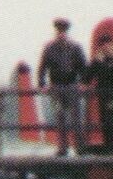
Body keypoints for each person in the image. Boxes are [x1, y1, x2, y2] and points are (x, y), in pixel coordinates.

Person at [37, 18, 87, 156]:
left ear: (67, 32)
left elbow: (83, 67)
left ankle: (80, 148)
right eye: (59, 31)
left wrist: (83, 83)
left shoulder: (76, 48)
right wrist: (42, 84)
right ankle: (62, 148)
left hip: (72, 86)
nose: (61, 34)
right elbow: (42, 67)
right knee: (60, 118)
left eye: (63, 31)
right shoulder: (49, 48)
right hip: (56, 86)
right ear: (56, 32)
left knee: (76, 118)